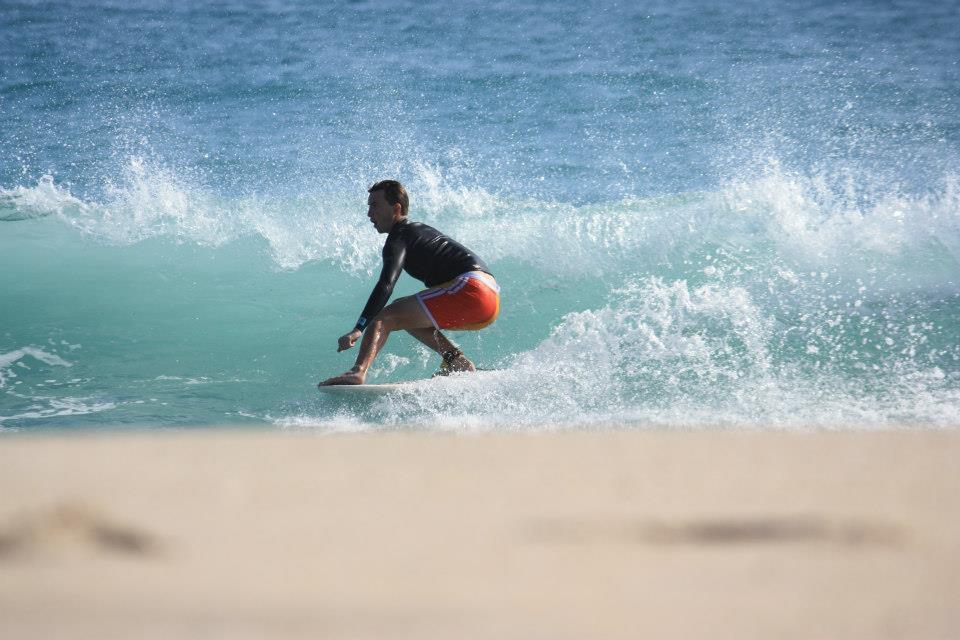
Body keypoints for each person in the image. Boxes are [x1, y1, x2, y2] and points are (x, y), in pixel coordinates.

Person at [319, 180, 500, 386]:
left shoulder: (400, 235)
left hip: (471, 289)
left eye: (374, 205)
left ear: (396, 208)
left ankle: (357, 372)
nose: (369, 214)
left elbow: (386, 283)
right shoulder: (416, 231)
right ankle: (456, 361)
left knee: (383, 318)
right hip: (488, 299)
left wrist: (359, 328)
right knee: (403, 313)